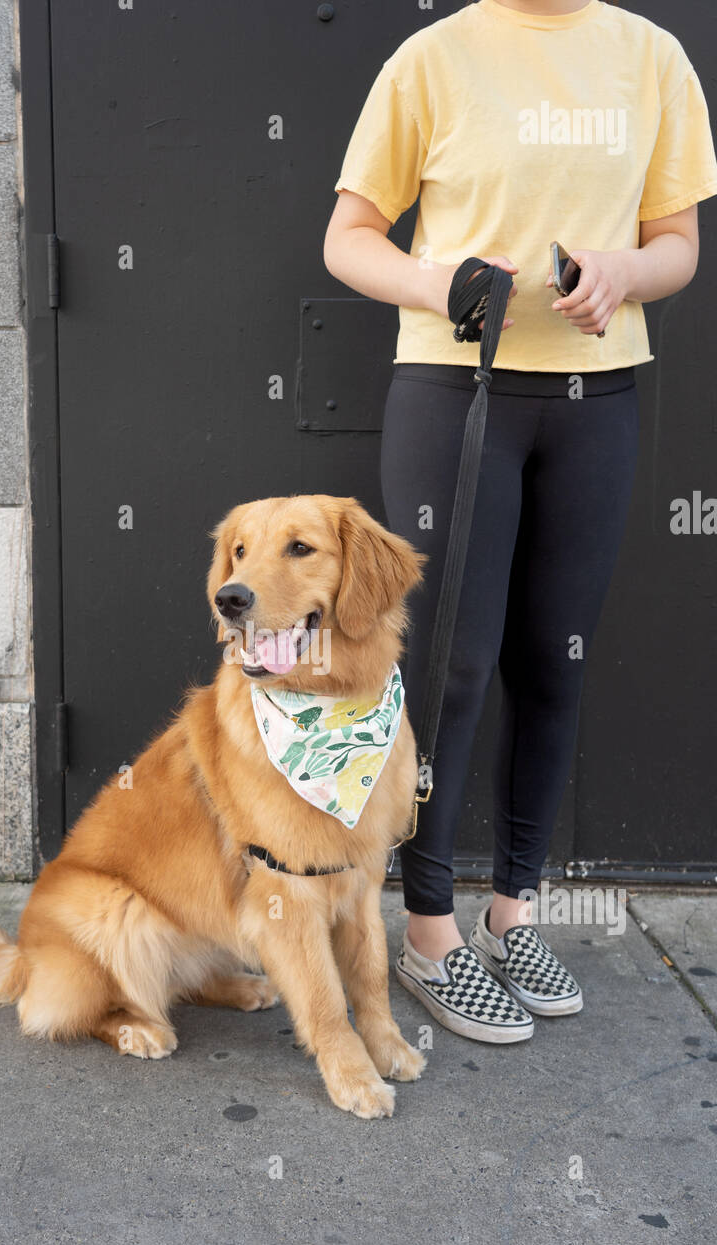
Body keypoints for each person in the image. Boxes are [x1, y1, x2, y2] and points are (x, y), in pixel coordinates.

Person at [323, 0, 717, 1044]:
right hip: (457, 390)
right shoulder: (432, 59)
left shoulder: (651, 58)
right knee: (449, 664)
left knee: (554, 659)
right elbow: (346, 238)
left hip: (600, 399)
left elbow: (676, 242)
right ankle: (426, 932)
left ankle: (513, 909)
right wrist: (434, 279)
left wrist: (625, 272)